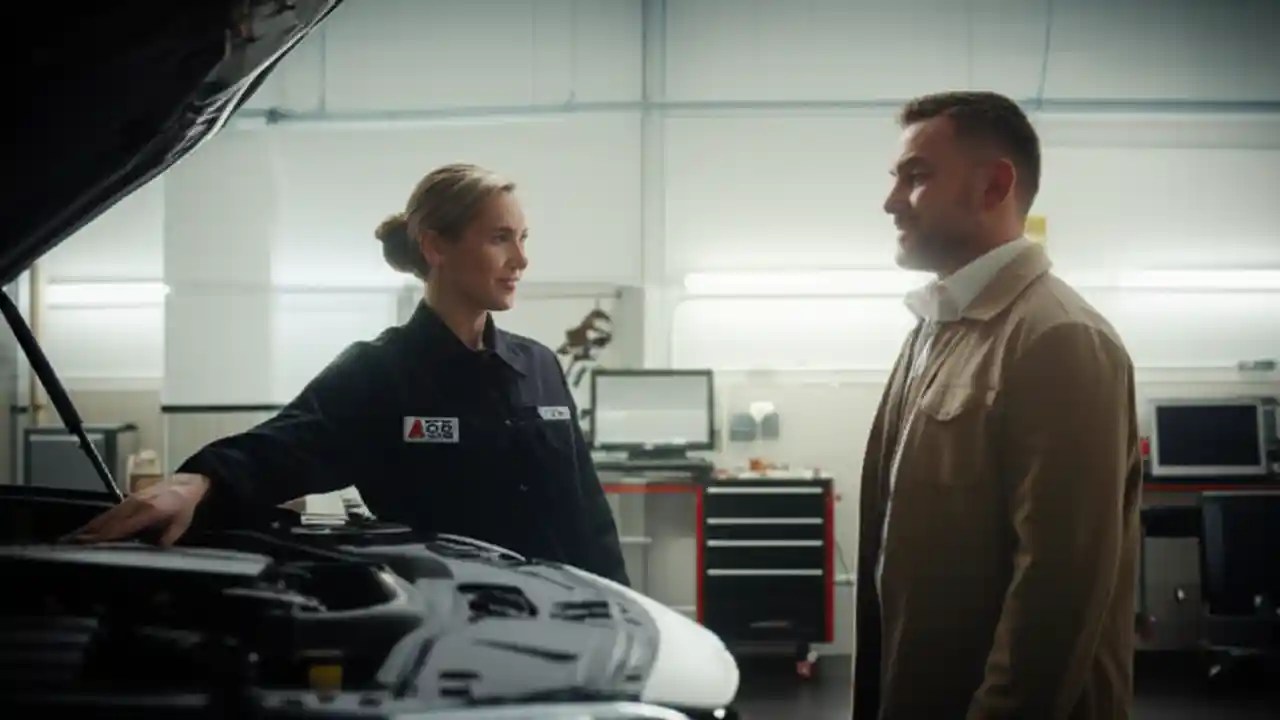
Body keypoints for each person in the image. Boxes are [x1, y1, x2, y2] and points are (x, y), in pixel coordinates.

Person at [69, 162, 631, 586]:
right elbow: (285, 443)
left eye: (523, 238)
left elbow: (588, 512)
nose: (521, 260)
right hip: (455, 628)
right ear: (436, 245)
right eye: (499, 238)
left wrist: (627, 605)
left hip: (567, 617)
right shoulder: (381, 372)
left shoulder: (539, 366)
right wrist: (193, 482)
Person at [852, 92, 1141, 719]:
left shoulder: (1057, 337)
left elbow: (1056, 594)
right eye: (896, 178)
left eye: (917, 176)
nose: (892, 201)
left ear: (995, 185)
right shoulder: (935, 328)